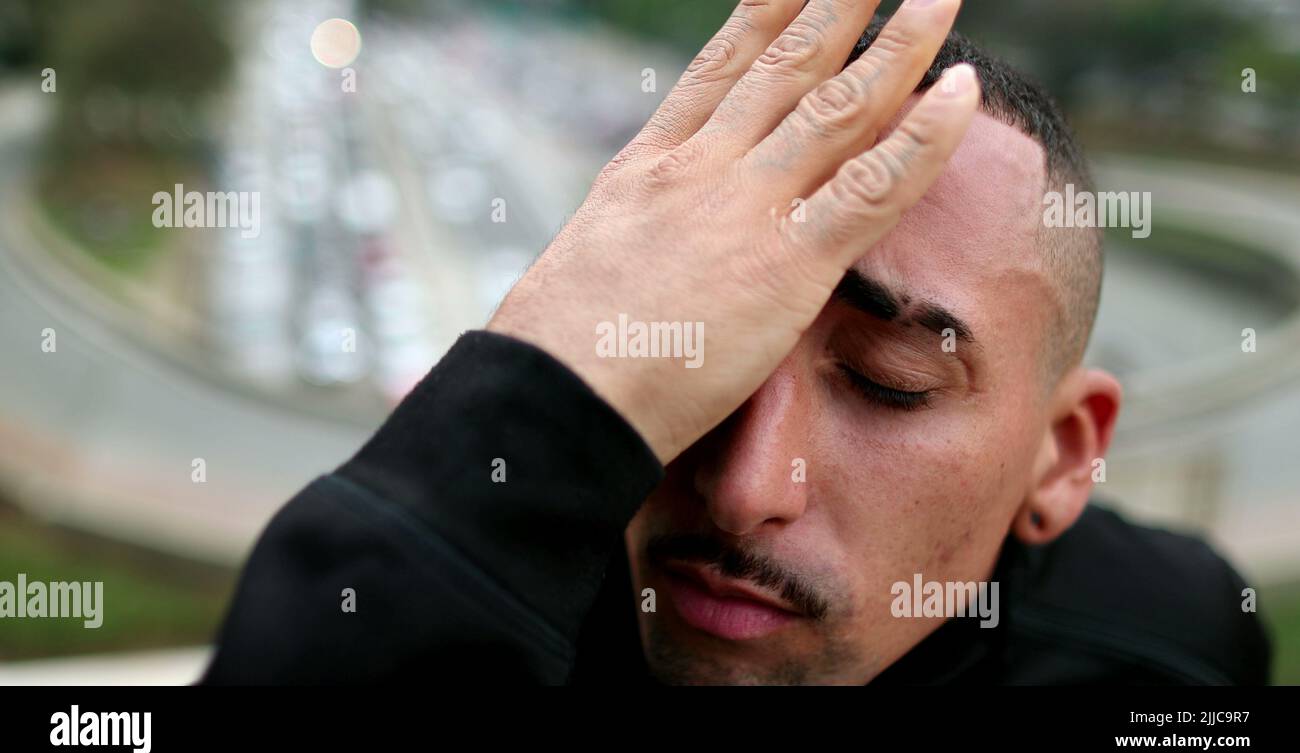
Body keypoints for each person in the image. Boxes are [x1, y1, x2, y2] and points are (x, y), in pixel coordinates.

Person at [203, 0, 1270, 685]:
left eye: (886, 381)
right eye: (701, 352)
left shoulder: (1167, 655)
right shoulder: (468, 625)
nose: (741, 487)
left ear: (1065, 450)